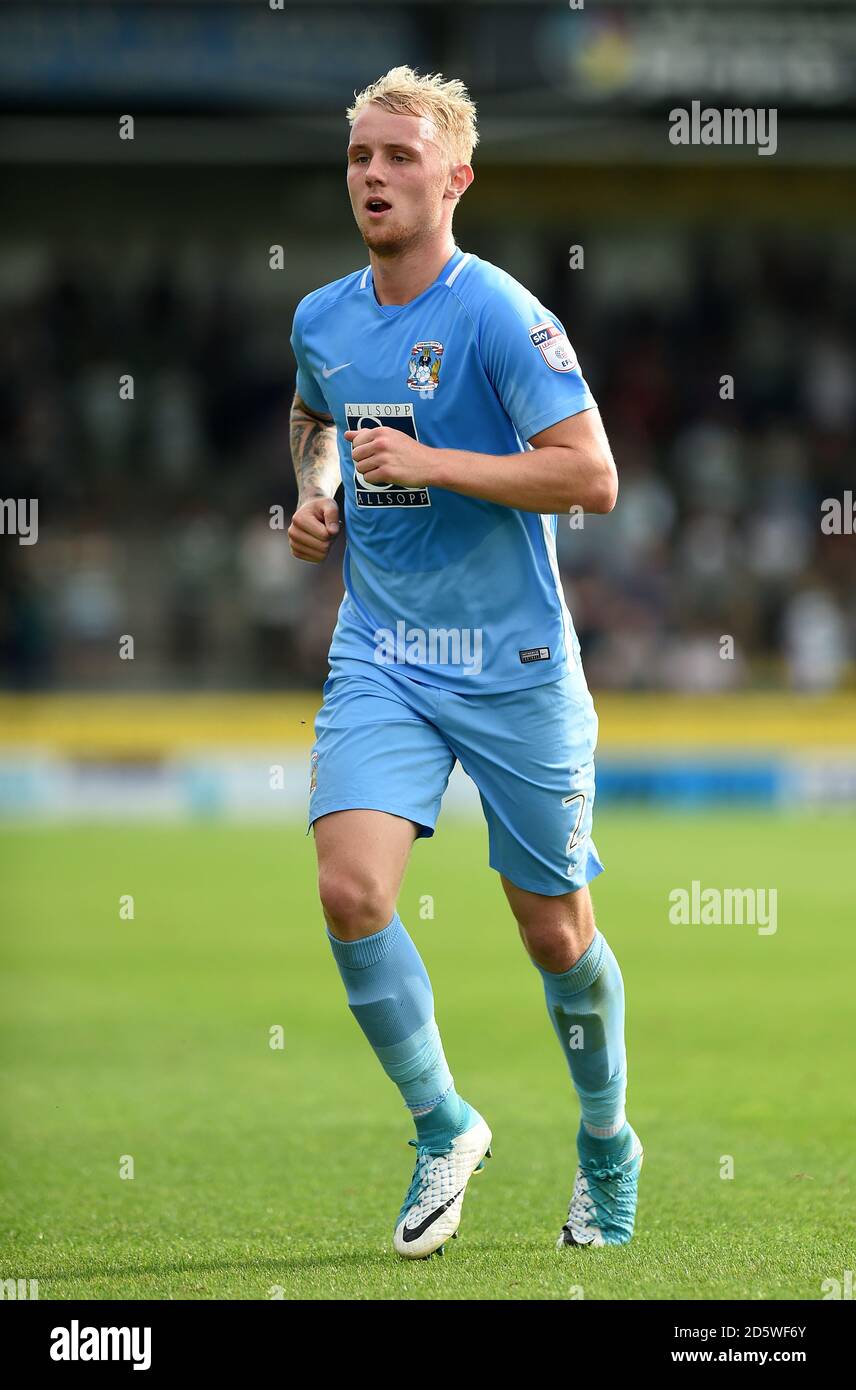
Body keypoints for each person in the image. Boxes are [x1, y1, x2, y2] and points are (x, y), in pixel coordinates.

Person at [288, 65, 642, 1260]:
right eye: (359, 158)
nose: (374, 176)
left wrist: (434, 463)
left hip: (514, 663)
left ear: (456, 175)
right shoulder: (324, 317)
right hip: (383, 649)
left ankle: (605, 1140)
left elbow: (589, 476)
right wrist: (316, 489)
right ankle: (445, 1123)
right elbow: (312, 412)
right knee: (350, 889)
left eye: (397, 157)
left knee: (552, 930)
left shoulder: (500, 313)